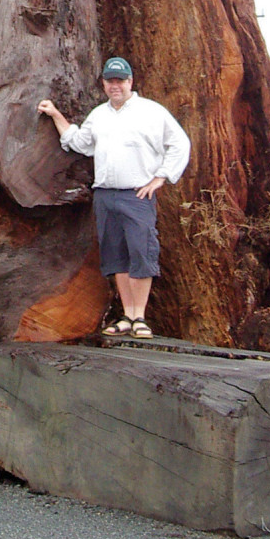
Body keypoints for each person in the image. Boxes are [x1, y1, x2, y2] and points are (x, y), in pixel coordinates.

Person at [38, 56, 190, 339]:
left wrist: (161, 177)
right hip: (106, 195)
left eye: (120, 80)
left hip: (137, 194)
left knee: (141, 251)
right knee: (116, 255)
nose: (115, 86)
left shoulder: (151, 112)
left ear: (131, 82)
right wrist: (55, 114)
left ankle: (140, 316)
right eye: (110, 81)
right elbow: (79, 143)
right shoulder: (99, 115)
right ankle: (127, 315)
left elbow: (179, 144)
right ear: (104, 84)